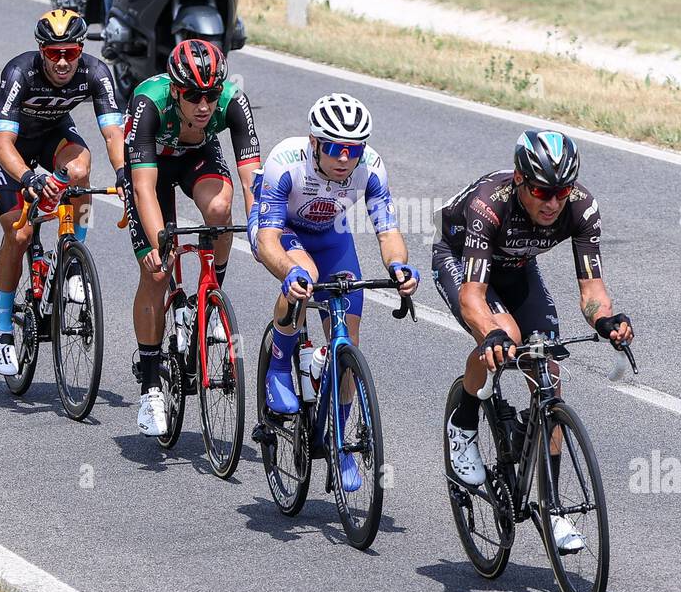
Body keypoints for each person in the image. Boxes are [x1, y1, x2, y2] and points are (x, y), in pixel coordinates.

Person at [432, 130, 633, 553]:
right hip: (461, 260)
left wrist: (606, 321)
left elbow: (592, 289)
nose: (553, 202)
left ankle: (553, 508)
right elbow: (472, 297)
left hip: (517, 268)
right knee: (505, 336)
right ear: (522, 180)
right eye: (542, 190)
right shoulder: (490, 203)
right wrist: (491, 332)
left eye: (562, 191)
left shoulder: (582, 207)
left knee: (548, 372)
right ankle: (463, 424)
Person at [248, 94, 420, 491]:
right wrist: (289, 272)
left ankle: (338, 445)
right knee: (304, 275)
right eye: (336, 149)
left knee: (347, 344)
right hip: (280, 231)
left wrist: (398, 267)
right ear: (314, 143)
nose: (345, 159)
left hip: (332, 239)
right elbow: (269, 240)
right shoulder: (286, 163)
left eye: (354, 150)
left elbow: (388, 231)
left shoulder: (371, 168)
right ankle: (278, 368)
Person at [123, 39, 260, 437]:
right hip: (151, 169)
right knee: (157, 273)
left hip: (195, 157)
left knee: (220, 210)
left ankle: (209, 297)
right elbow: (144, 188)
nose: (204, 106)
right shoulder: (149, 101)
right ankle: (150, 385)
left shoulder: (233, 101)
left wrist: (259, 229)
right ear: (175, 89)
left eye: (211, 95)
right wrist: (157, 242)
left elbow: (252, 178)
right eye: (193, 96)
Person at [0, 9, 126, 375]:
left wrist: (125, 173)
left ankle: (72, 256)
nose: (63, 61)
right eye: (53, 53)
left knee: (80, 171)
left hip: (53, 136)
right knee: (19, 233)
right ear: (41, 50)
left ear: (81, 48)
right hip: (14, 149)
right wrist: (30, 178)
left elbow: (114, 134)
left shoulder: (95, 72)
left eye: (70, 52)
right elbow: (2, 141)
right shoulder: (19, 72)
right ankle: (3, 327)